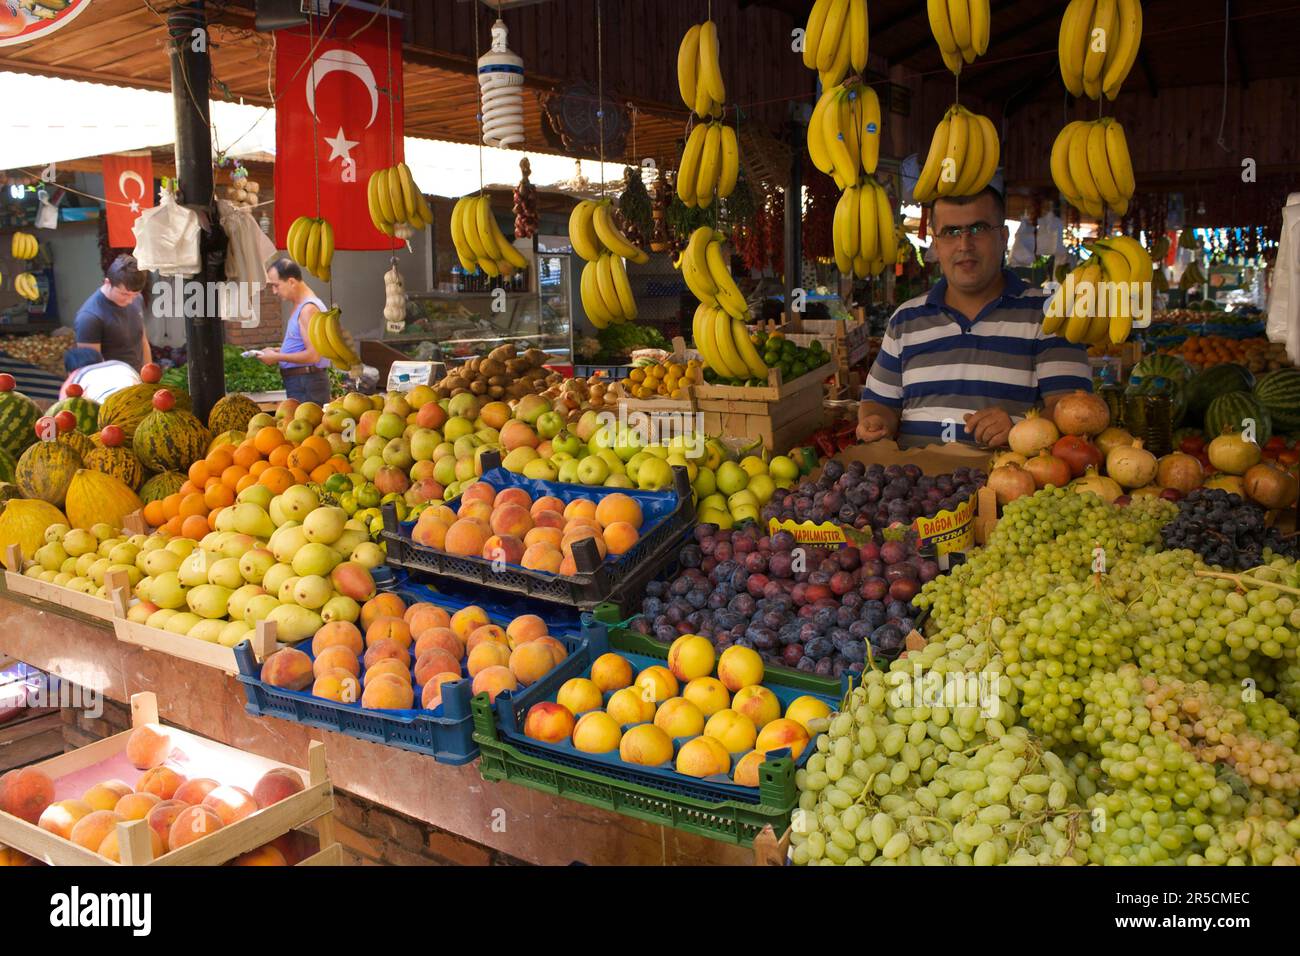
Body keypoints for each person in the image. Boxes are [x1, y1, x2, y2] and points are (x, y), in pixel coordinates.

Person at [858, 186, 1093, 449]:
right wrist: (877, 421)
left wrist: (1021, 430)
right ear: (935, 244)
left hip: (1009, 483)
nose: (964, 245)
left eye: (978, 229)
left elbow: (1077, 415)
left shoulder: (1050, 314)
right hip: (913, 484)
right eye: (951, 232)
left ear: (1003, 237)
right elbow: (879, 402)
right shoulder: (906, 319)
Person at [255, 258, 331, 404]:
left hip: (307, 383)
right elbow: (303, 344)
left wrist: (277, 357)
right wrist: (278, 351)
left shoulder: (308, 309)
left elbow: (313, 355)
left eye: (276, 285)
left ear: (291, 282)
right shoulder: (301, 306)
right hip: (302, 382)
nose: (274, 291)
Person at [74, 254, 150, 370]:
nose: (130, 300)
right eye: (124, 294)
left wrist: (150, 376)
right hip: (113, 385)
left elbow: (142, 340)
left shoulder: (137, 298)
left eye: (134, 294)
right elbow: (91, 368)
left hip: (139, 380)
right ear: (107, 283)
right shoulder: (89, 317)